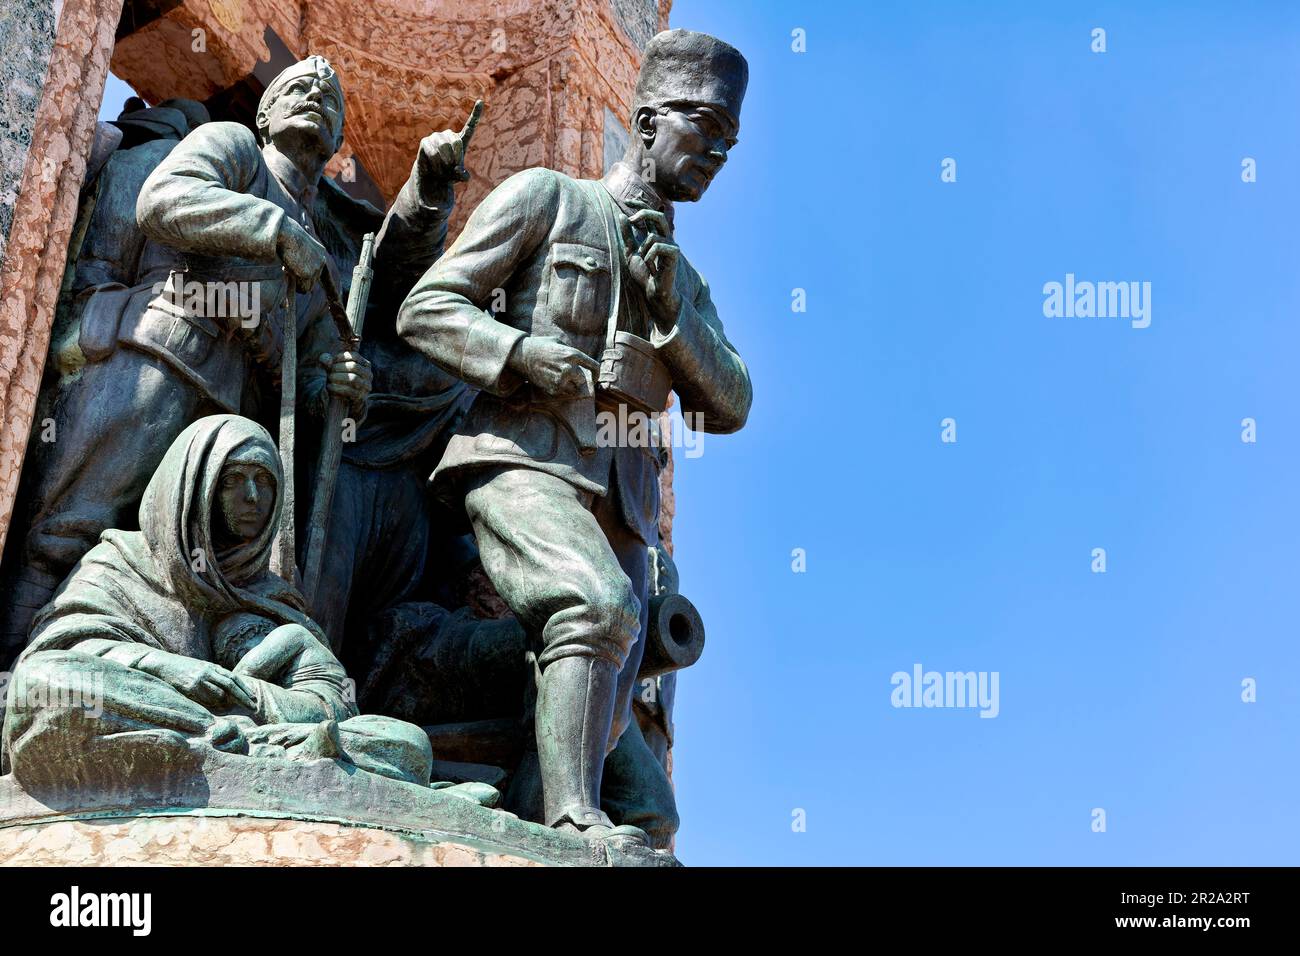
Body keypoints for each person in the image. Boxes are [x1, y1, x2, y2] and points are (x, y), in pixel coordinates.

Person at [396, 29, 753, 842]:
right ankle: (570, 822)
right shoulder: (548, 197)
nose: (718, 152)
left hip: (622, 500)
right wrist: (519, 353)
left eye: (730, 141)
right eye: (705, 125)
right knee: (597, 607)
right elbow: (425, 307)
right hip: (525, 459)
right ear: (648, 117)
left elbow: (729, 405)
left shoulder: (686, 281)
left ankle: (535, 819)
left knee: (611, 708)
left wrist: (672, 320)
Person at [0, 56, 370, 659]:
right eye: (298, 88)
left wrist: (339, 385)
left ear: (337, 143)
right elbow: (163, 200)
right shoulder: (235, 150)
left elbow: (309, 374)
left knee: (181, 570)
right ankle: (10, 680)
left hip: (233, 422)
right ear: (266, 115)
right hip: (159, 364)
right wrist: (270, 228)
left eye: (331, 101)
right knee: (66, 533)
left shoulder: (326, 250)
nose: (317, 98)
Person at [1, 415, 440, 793]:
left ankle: (232, 744)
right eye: (234, 480)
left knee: (407, 742)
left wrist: (248, 697)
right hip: (146, 710)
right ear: (192, 486)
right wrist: (171, 669)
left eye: (265, 482)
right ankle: (232, 743)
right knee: (44, 684)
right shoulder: (120, 563)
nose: (253, 497)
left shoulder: (273, 597)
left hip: (255, 725)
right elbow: (62, 651)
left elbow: (332, 706)